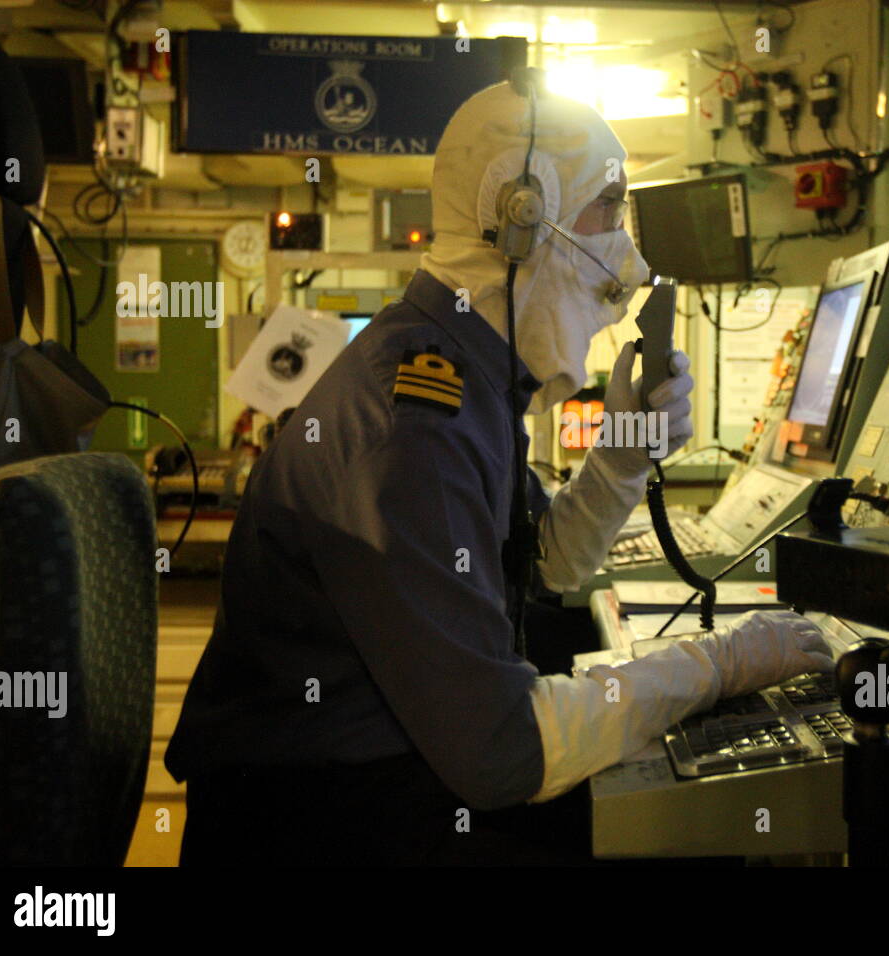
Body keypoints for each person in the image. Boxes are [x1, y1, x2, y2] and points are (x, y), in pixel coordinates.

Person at [164, 78, 833, 865]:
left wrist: (620, 457)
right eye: (610, 208)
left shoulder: (457, 373)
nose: (633, 257)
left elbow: (542, 565)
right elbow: (502, 752)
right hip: (321, 822)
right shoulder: (413, 427)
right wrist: (716, 664)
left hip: (371, 785)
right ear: (522, 215)